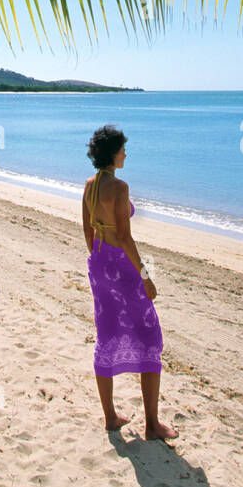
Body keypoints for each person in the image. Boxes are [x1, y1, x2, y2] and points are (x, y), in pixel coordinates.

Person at [83, 124, 178, 440]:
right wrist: (145, 276)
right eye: (123, 148)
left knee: (106, 334)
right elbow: (124, 236)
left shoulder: (89, 186)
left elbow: (87, 231)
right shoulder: (119, 188)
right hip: (121, 266)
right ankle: (152, 425)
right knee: (150, 336)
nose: (126, 153)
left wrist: (99, 263)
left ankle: (111, 417)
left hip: (98, 262)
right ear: (113, 153)